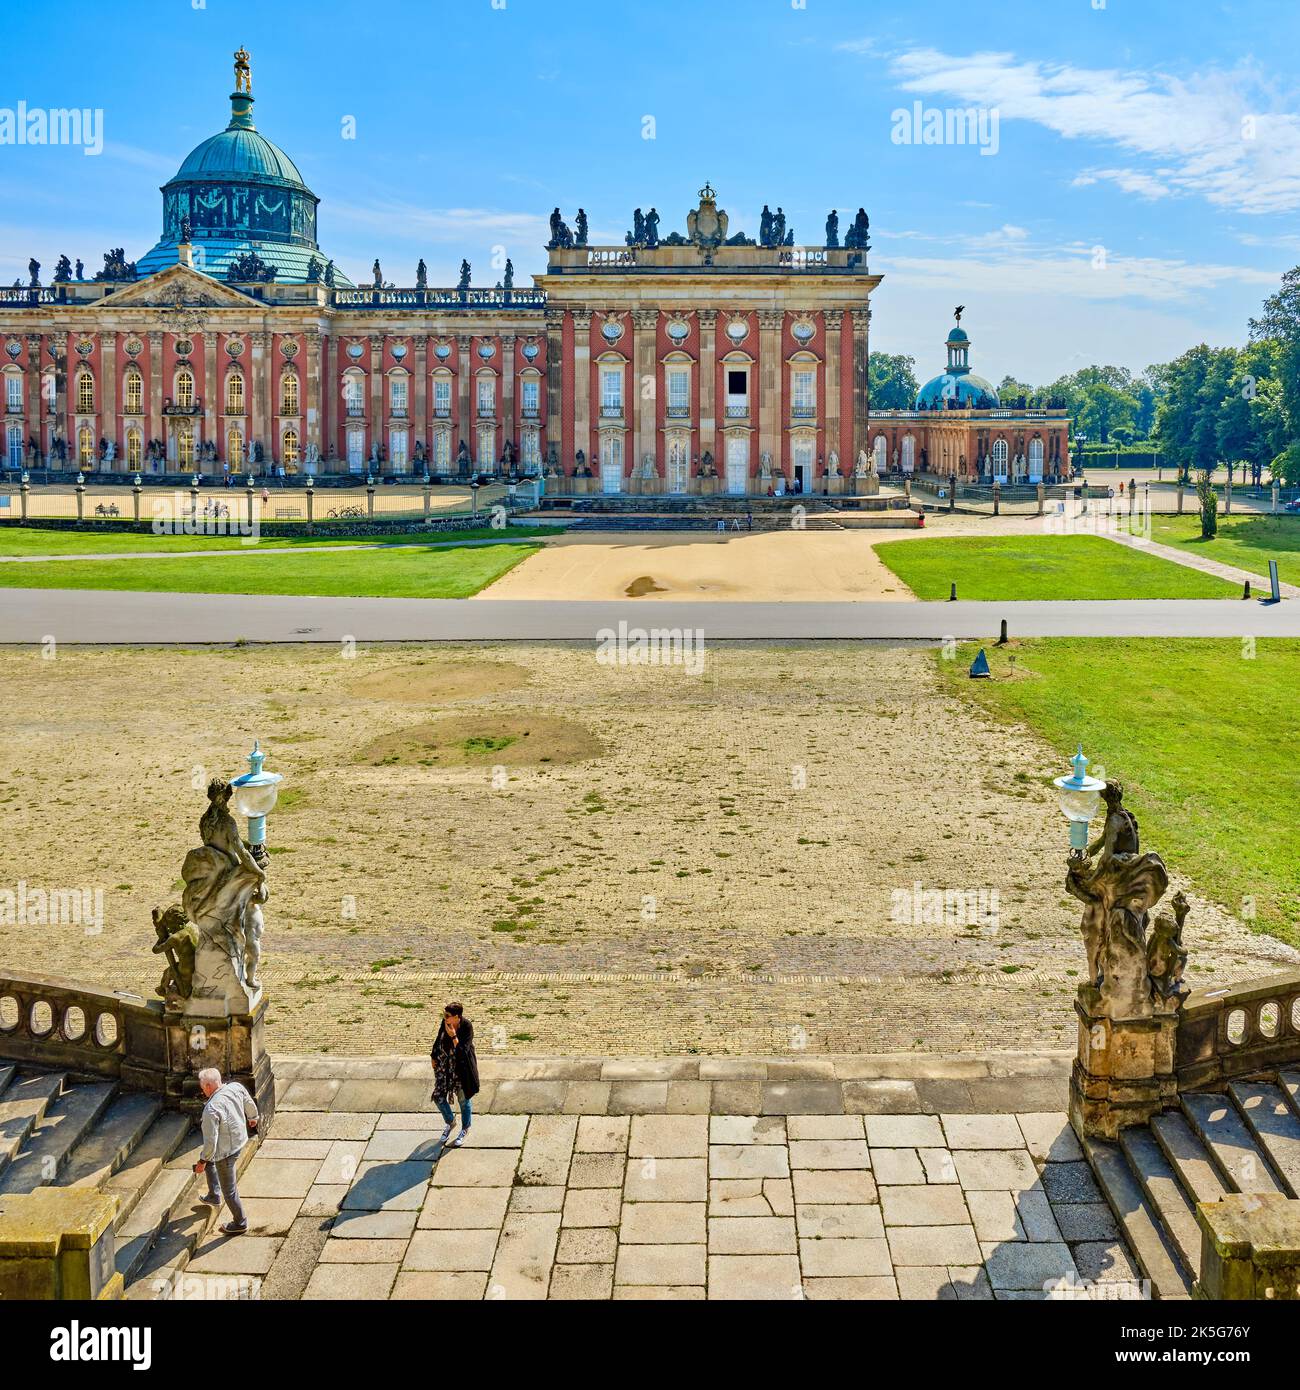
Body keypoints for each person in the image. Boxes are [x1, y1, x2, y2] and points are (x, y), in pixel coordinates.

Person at [194, 1067, 259, 1235]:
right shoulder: (235, 1087)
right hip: (240, 1139)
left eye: (202, 1087)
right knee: (210, 1162)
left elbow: (210, 1142)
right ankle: (213, 1195)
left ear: (208, 1086)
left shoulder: (211, 1109)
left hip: (226, 1152)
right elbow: (248, 1102)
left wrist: (201, 1162)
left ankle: (240, 1222)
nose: (202, 1090)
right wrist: (253, 1117)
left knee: (229, 1190)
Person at [429, 1002, 479, 1147]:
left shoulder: (467, 1026)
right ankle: (451, 1122)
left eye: (448, 1016)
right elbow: (438, 1039)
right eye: (444, 1015)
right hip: (444, 1067)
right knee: (438, 1097)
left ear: (457, 1017)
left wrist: (453, 1036)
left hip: (460, 1069)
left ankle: (465, 1128)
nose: (445, 1018)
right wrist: (433, 1056)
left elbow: (463, 1051)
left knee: (463, 1100)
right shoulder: (444, 1023)